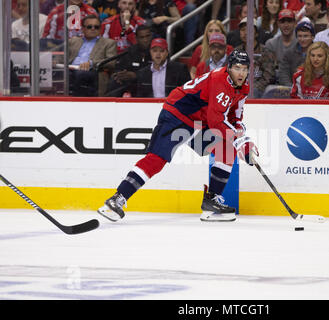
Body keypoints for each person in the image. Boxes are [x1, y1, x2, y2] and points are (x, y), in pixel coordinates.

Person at [97, 49, 258, 223]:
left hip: (199, 121)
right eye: (237, 68)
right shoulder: (220, 80)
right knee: (157, 159)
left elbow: (236, 117)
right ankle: (117, 198)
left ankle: (211, 201)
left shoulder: (244, 88)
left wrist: (242, 140)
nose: (241, 73)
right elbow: (216, 120)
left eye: (244, 68)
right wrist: (241, 141)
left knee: (226, 147)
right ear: (229, 68)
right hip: (177, 114)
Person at [68, 15, 118, 96]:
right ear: (83, 29)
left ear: (100, 29)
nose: (93, 29)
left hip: (93, 72)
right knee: (62, 73)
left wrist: (91, 63)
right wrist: (55, 60)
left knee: (81, 74)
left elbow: (111, 62)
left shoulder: (109, 43)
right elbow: (62, 55)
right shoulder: (73, 41)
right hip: (70, 68)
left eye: (96, 27)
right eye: (89, 26)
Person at [105, 25, 153, 96]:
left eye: (147, 36)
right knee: (114, 81)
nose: (145, 40)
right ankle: (108, 103)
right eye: (142, 37)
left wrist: (136, 75)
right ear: (136, 38)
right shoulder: (130, 51)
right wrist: (120, 75)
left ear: (151, 36)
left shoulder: (158, 51)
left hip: (148, 83)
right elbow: (119, 68)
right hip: (130, 83)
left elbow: (159, 72)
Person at [279, 20, 315, 86]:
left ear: (312, 37)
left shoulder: (319, 53)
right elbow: (283, 74)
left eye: (305, 36)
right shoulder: (288, 53)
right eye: (300, 36)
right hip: (292, 88)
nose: (302, 39)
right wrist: (291, 88)